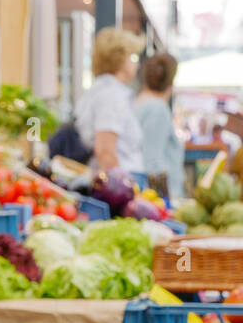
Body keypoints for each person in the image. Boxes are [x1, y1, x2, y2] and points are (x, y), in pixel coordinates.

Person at [76, 27, 146, 174]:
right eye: (133, 58)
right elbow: (105, 150)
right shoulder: (111, 95)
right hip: (117, 183)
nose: (137, 64)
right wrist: (122, 189)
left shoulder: (100, 90)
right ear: (119, 60)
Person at [134, 53, 184, 199]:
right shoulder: (157, 109)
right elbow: (152, 161)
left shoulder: (140, 103)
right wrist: (165, 202)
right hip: (158, 198)